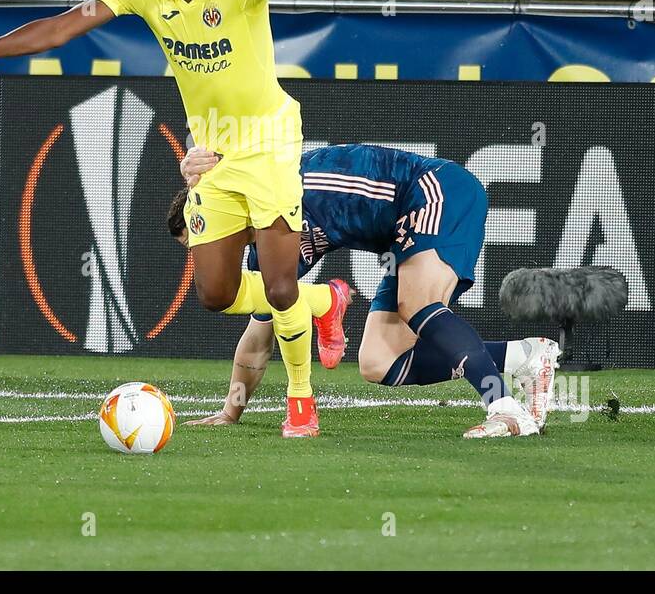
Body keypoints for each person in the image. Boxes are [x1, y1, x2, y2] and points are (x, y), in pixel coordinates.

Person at [0, 0, 371, 437]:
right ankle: (327, 300)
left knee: (280, 287)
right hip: (212, 153)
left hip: (270, 143)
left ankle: (300, 402)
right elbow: (63, 27)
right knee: (216, 294)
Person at [169, 143, 560, 438]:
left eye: (202, 238)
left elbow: (250, 156)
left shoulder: (288, 189)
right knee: (379, 361)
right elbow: (258, 338)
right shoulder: (268, 247)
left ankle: (505, 408)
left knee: (418, 304)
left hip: (437, 189)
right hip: (399, 233)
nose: (207, 253)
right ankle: (525, 356)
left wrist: (209, 162)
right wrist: (231, 411)